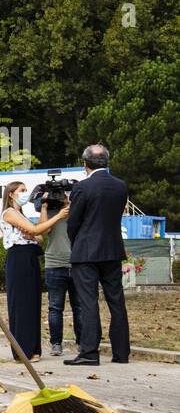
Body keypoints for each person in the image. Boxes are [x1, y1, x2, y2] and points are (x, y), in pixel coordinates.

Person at [65, 144, 130, 366]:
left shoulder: (83, 187)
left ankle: (90, 352)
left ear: (86, 163)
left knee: (88, 302)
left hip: (86, 251)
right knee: (116, 300)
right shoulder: (121, 186)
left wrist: (77, 243)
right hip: (112, 249)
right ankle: (121, 353)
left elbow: (73, 222)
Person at [0, 181, 68, 362]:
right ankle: (23, 350)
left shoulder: (21, 215)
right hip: (18, 260)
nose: (25, 193)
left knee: (32, 304)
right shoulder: (9, 213)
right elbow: (36, 230)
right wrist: (59, 215)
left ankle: (33, 349)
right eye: (22, 190)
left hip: (29, 259)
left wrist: (44, 208)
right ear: (11, 194)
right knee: (21, 305)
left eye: (26, 190)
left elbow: (41, 233)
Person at [39, 188, 81, 357]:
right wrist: (44, 206)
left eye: (63, 194)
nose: (61, 197)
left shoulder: (75, 211)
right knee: (55, 308)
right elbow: (41, 231)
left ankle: (82, 342)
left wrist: (70, 205)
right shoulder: (50, 213)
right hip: (54, 265)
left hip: (77, 265)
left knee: (79, 307)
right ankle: (56, 344)